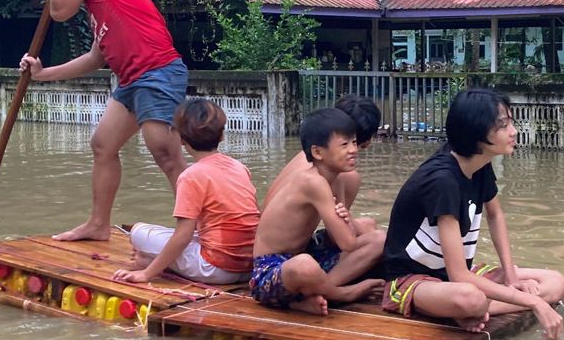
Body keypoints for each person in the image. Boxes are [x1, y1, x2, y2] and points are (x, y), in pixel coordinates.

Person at [19, 0, 188, 241]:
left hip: (158, 71)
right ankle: (98, 225)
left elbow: (58, 9)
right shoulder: (101, 0)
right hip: (131, 79)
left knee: (166, 154)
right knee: (102, 145)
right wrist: (42, 74)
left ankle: (207, 228)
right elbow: (97, 58)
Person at [378, 88, 564, 340]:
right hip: (413, 281)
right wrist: (534, 302)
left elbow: (495, 216)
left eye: (511, 122)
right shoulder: (443, 180)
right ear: (476, 134)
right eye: (503, 126)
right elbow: (459, 276)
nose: (513, 132)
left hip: (455, 277)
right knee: (471, 299)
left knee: (556, 282)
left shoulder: (479, 164)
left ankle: (474, 311)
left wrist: (510, 277)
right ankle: (469, 309)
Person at [249, 108, 385, 315]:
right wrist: (346, 221)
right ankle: (341, 294)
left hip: (305, 253)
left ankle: (312, 294)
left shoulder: (336, 177)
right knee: (304, 265)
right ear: (318, 152)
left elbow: (343, 240)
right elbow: (347, 242)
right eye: (344, 145)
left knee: (379, 239)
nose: (353, 150)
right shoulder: (312, 182)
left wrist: (347, 220)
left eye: (354, 142)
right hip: (270, 270)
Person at [113, 99, 258, 285]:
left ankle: (151, 263)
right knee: (174, 235)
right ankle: (157, 260)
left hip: (216, 270)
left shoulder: (191, 176)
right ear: (222, 136)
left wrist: (146, 274)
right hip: (249, 266)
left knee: (139, 233)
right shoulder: (239, 167)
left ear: (181, 139)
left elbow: (183, 236)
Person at [264, 94, 382, 243]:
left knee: (368, 224)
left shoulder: (312, 155)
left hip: (267, 244)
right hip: (289, 254)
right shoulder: (343, 174)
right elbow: (338, 237)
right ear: (365, 140)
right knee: (376, 237)